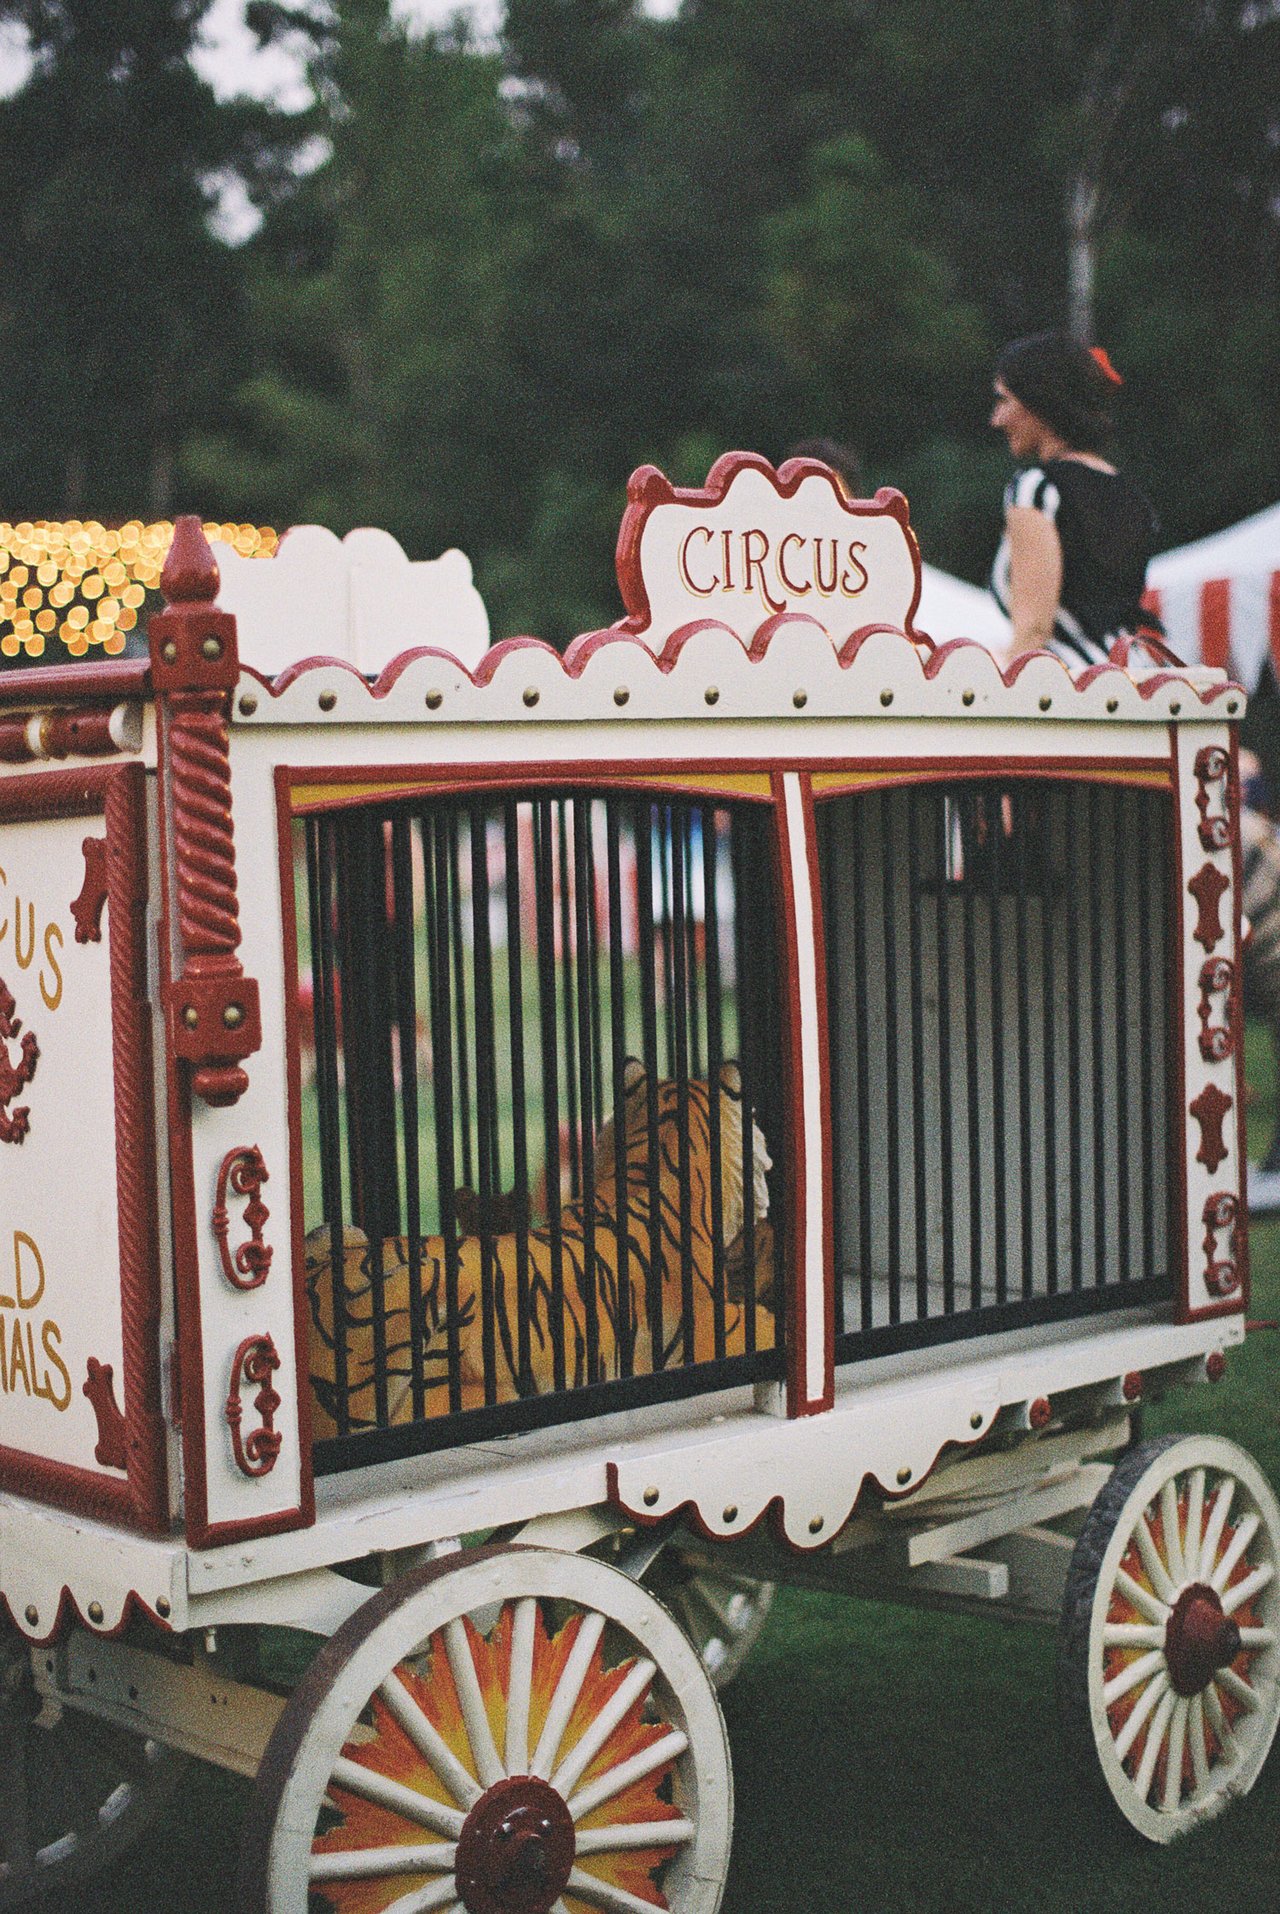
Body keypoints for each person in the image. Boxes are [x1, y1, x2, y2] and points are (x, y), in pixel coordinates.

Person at [989, 331, 1159, 665]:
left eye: (1004, 400)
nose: (997, 419)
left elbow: (1033, 633)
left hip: (1070, 689)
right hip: (1134, 678)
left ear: (1040, 403)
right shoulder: (1131, 496)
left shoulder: (1036, 489)